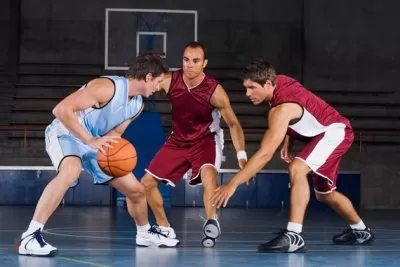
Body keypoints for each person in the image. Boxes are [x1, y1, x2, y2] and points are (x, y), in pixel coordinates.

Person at [18, 53, 179, 257]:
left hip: (94, 141)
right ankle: (31, 236)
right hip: (66, 132)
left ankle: (144, 233)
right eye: (157, 82)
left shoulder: (137, 106)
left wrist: (113, 154)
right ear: (148, 77)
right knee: (71, 170)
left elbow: (116, 134)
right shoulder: (108, 87)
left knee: (136, 190)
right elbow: (61, 109)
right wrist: (89, 141)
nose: (159, 88)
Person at [211, 59, 374, 253]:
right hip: (322, 134)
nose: (247, 93)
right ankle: (361, 230)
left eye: (252, 88)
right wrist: (289, 141)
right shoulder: (281, 81)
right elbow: (300, 107)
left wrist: (232, 184)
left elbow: (265, 153)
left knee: (297, 167)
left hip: (335, 132)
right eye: (246, 88)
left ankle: (294, 235)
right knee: (325, 195)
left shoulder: (279, 110)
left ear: (268, 84)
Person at [141, 42, 247, 247]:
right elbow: (145, 85)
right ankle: (165, 229)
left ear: (204, 63)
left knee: (208, 175)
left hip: (206, 140)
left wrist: (241, 155)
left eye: (195, 61)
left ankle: (211, 222)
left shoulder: (214, 91)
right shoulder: (170, 80)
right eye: (186, 60)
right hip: (178, 140)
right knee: (146, 183)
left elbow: (233, 123)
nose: (189, 65)